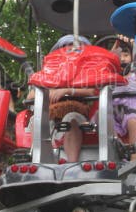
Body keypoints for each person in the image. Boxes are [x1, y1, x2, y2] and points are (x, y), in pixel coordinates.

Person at [28, 35, 98, 163]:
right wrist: (51, 92)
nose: (71, 50)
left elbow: (92, 91)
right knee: (36, 119)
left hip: (79, 113)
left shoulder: (87, 71)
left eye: (76, 47)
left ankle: (72, 164)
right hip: (51, 115)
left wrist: (67, 91)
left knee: (71, 119)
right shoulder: (50, 72)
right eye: (67, 47)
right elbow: (31, 96)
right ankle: (42, 160)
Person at [109, 40, 136, 160]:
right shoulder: (112, 74)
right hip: (115, 110)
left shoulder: (135, 74)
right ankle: (118, 150)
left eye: (126, 55)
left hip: (133, 108)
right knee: (106, 122)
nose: (122, 58)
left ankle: (134, 158)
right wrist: (116, 44)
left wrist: (134, 46)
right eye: (120, 56)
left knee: (132, 122)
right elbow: (108, 60)